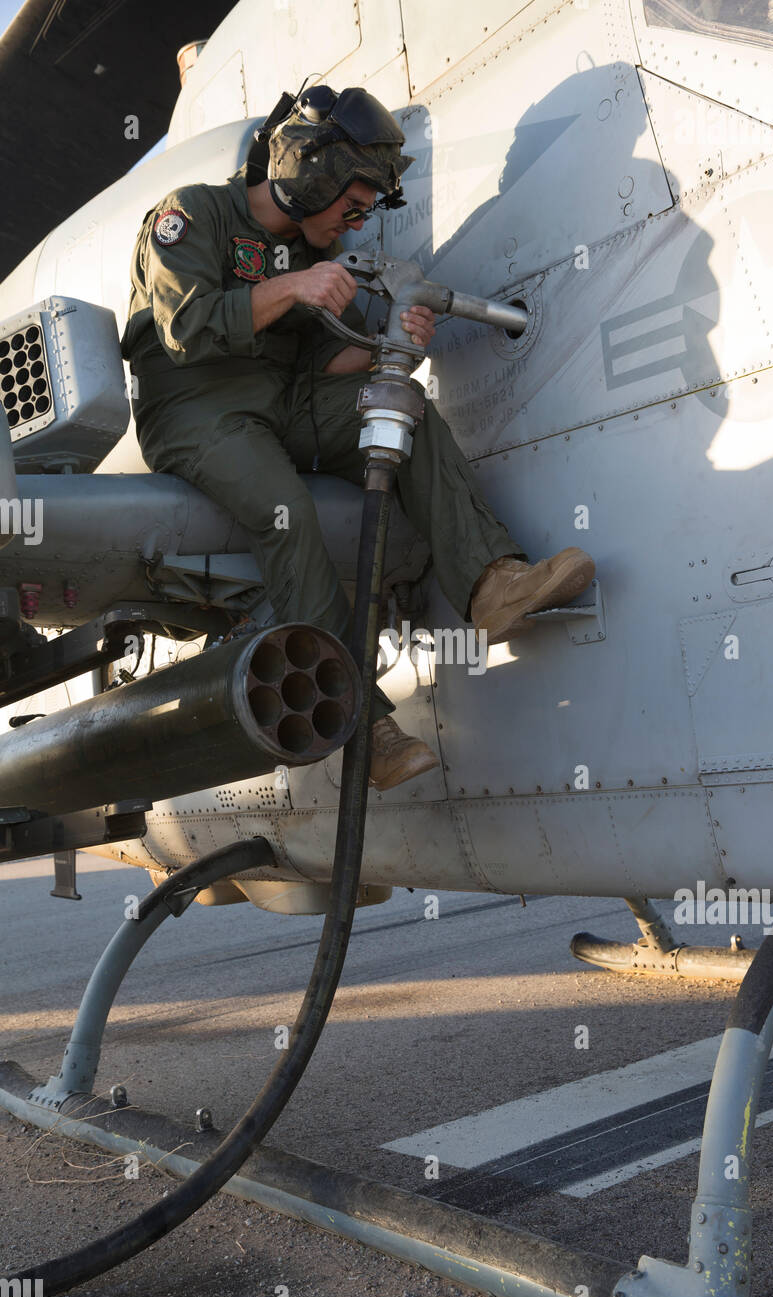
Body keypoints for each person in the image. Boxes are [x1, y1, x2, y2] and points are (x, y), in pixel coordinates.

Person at [120, 84, 594, 790]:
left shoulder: (318, 255)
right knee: (287, 511)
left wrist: (390, 348)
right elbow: (183, 329)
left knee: (398, 406)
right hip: (198, 410)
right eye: (356, 199)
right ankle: (363, 726)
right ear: (310, 172)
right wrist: (297, 288)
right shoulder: (193, 213)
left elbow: (322, 361)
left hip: (286, 401)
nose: (361, 217)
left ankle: (493, 581)